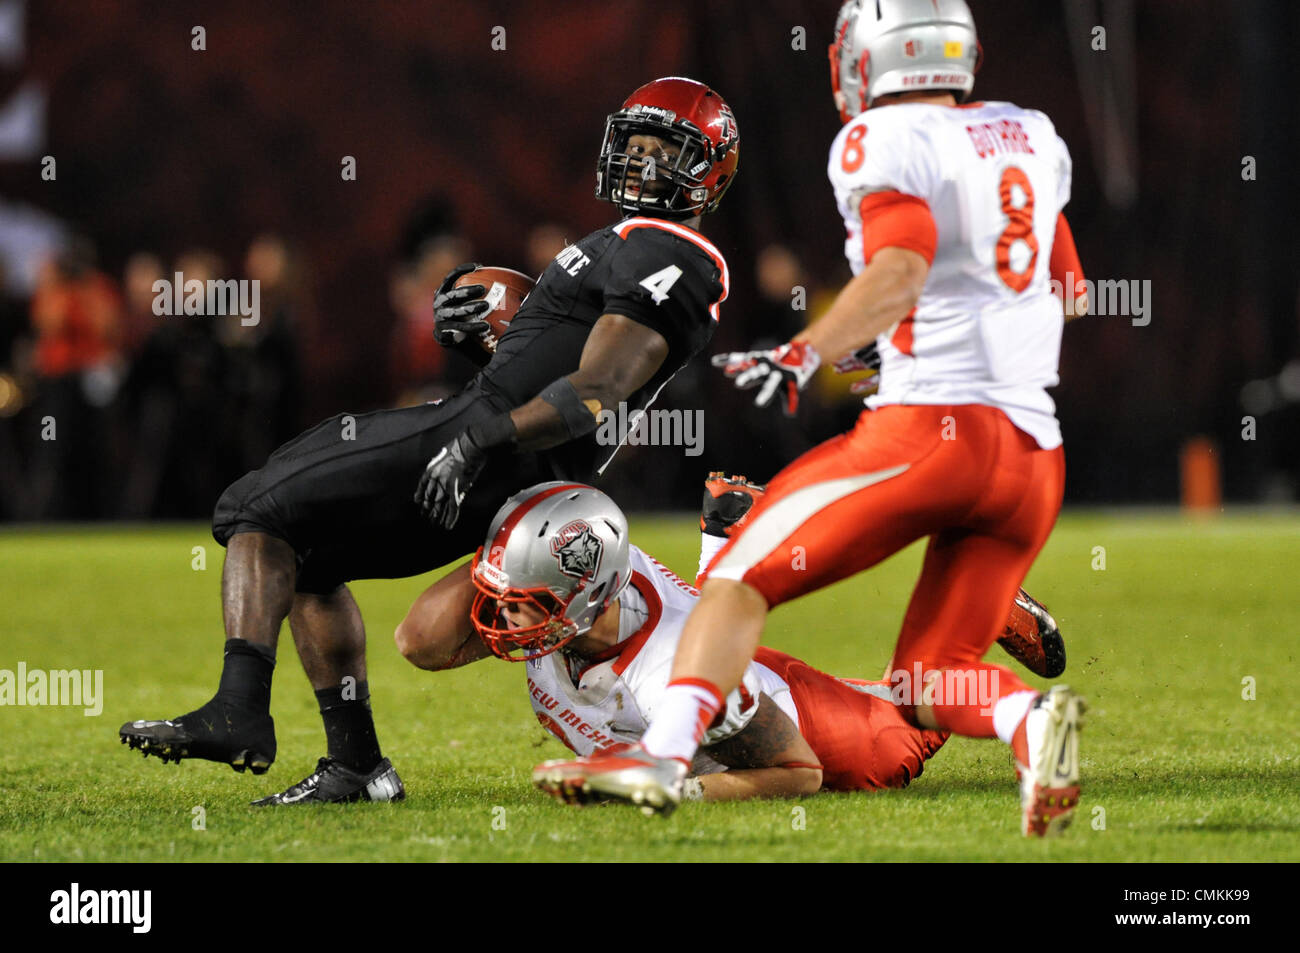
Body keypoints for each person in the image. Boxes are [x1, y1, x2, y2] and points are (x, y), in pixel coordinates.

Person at [533, 0, 1091, 837]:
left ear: (874, 56)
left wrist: (808, 349)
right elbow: (1064, 294)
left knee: (735, 582)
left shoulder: (880, 141)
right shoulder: (1028, 136)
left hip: (931, 435)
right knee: (931, 676)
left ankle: (663, 757)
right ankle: (1031, 722)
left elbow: (899, 270)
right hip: (1031, 455)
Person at [119, 77, 741, 805]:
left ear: (708, 169)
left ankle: (239, 710)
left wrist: (484, 433)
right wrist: (503, 322)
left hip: (486, 437)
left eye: (661, 148)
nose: (638, 161)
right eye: (632, 144)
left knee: (252, 505)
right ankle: (357, 766)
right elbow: (567, 359)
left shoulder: (670, 251)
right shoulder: (633, 245)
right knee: (309, 560)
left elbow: (599, 387)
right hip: (502, 441)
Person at [395, 481, 1068, 806]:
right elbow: (418, 640)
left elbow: (799, 772)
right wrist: (512, 538)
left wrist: (668, 790)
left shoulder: (664, 666)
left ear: (583, 598)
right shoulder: (580, 594)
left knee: (900, 733)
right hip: (712, 660)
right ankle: (730, 544)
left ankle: (976, 599)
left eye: (523, 604)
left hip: (800, 724)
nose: (502, 623)